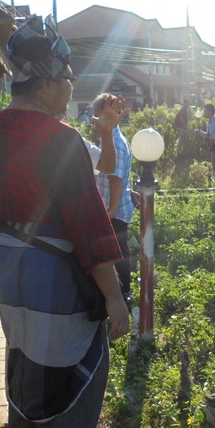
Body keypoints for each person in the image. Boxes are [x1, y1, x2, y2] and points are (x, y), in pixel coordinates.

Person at [0, 14, 129, 428]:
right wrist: (114, 299)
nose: (71, 92)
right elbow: (89, 226)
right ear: (51, 80)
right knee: (75, 360)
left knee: (24, 356)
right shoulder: (60, 139)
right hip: (54, 271)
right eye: (70, 81)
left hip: (8, 268)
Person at [91, 92, 136, 306]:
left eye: (96, 113)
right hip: (115, 207)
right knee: (118, 253)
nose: (93, 119)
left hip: (114, 210)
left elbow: (116, 180)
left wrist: (110, 210)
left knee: (117, 256)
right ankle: (122, 296)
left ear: (104, 112)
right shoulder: (110, 138)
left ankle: (123, 297)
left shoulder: (115, 142)